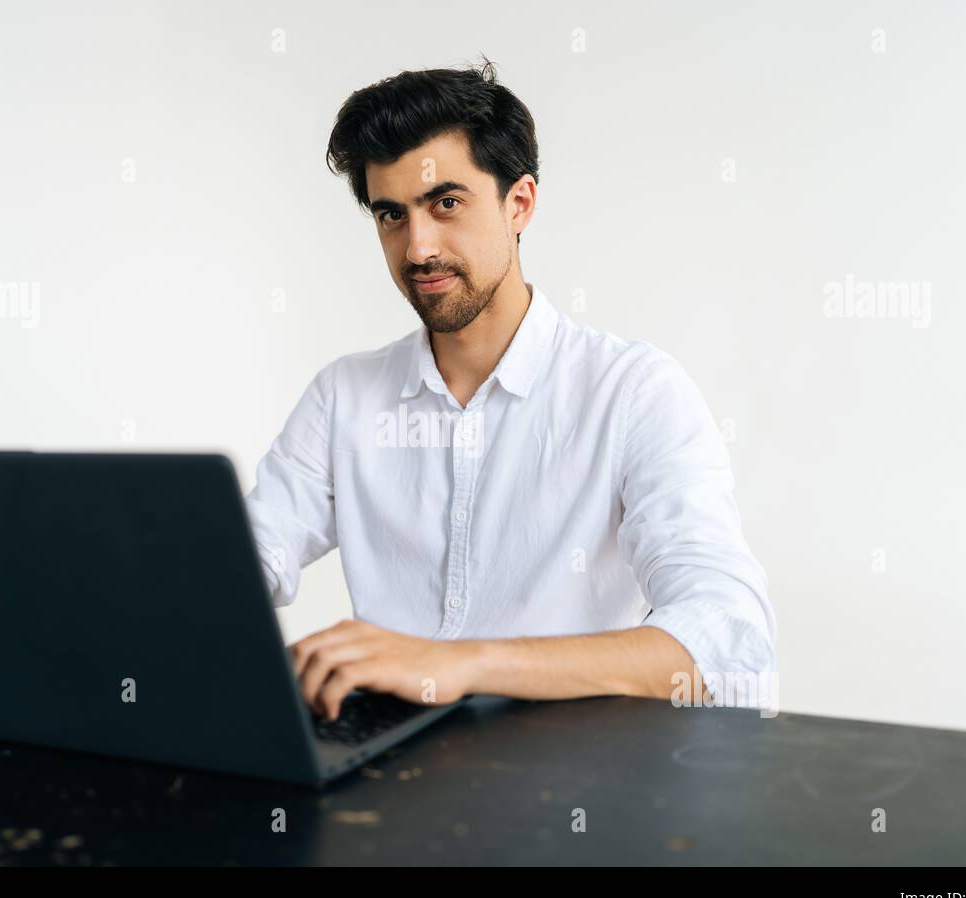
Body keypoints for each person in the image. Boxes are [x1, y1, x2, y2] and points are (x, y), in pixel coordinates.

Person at [246, 59, 777, 722]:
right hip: (394, 779)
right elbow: (241, 566)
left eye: (446, 203)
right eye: (391, 215)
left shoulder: (633, 392)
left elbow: (730, 644)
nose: (418, 249)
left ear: (519, 202)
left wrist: (465, 663)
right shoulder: (343, 397)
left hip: (572, 785)